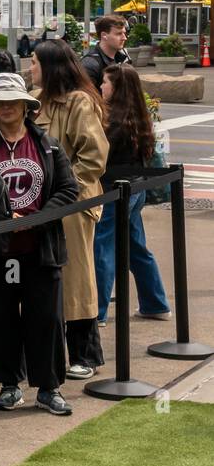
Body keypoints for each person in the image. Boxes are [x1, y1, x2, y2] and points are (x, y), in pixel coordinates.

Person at [0, 73, 79, 416]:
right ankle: (8, 384)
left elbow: (67, 189)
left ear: (25, 105)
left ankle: (49, 387)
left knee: (45, 319)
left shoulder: (47, 145)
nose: (5, 107)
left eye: (11, 100)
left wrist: (35, 220)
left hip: (40, 249)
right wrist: (1, 221)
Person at [30, 39, 108, 380]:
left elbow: (92, 158)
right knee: (42, 279)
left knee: (76, 280)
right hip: (38, 206)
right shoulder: (34, 101)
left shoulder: (79, 102)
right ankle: (43, 354)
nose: (30, 68)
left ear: (51, 66)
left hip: (75, 204)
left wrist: (61, 193)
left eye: (34, 62)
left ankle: (84, 353)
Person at [96, 64, 171, 324]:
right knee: (135, 247)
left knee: (101, 248)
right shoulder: (138, 117)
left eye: (105, 82)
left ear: (116, 88)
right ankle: (155, 303)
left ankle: (97, 313)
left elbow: (99, 160)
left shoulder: (111, 123)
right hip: (135, 189)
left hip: (112, 192)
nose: (101, 87)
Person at [80, 14, 131, 91]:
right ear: (104, 35)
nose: (124, 38)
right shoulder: (90, 64)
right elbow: (85, 98)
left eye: (124, 33)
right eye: (119, 34)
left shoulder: (121, 59)